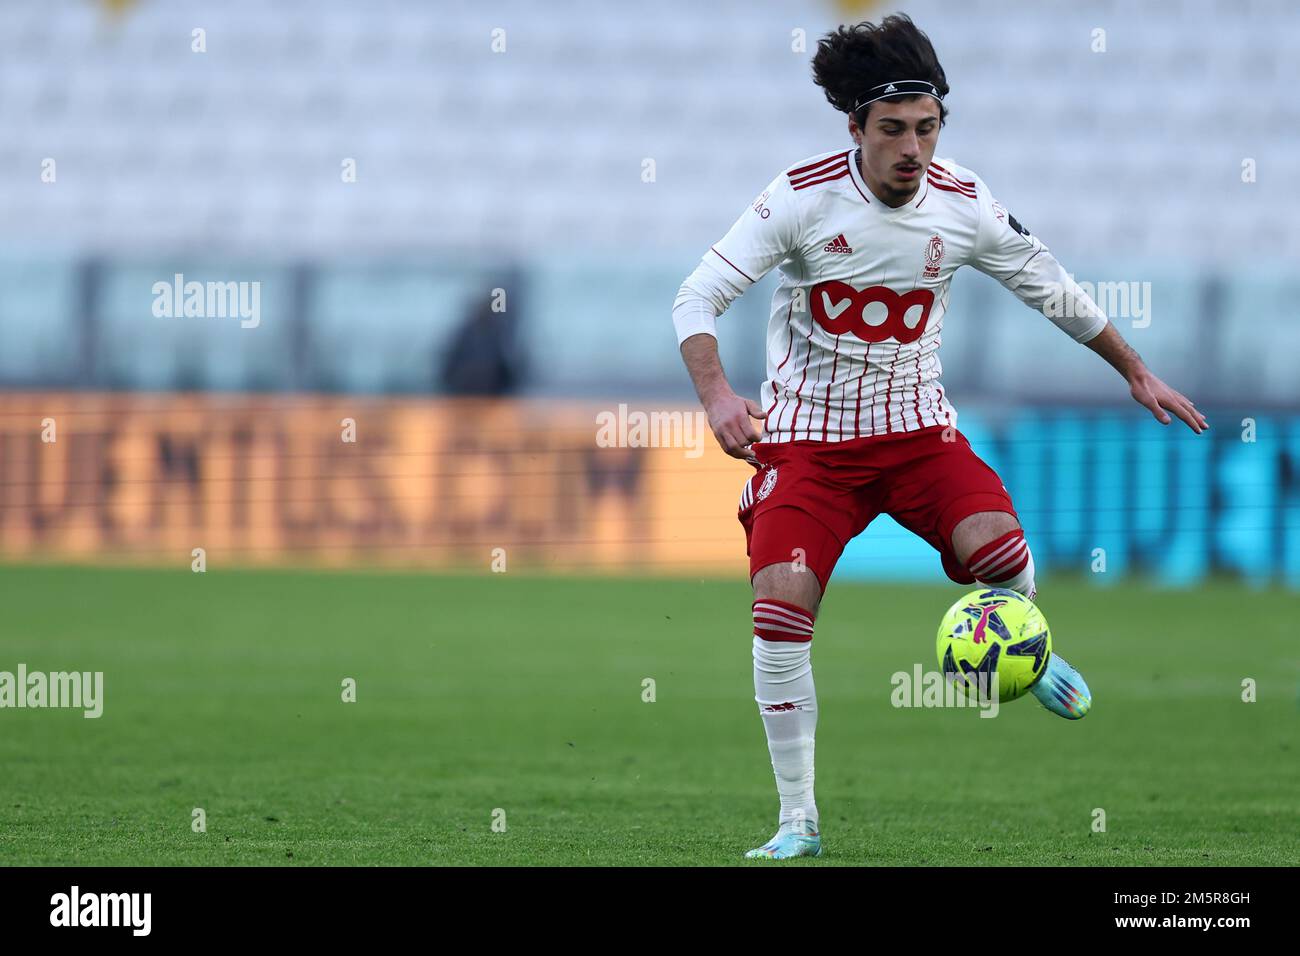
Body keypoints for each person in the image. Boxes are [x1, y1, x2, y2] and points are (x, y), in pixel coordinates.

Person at [671, 14, 1207, 860]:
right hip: (809, 443)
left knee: (1004, 555)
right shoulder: (800, 198)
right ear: (854, 127)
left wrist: (1134, 370)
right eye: (892, 131)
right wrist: (717, 397)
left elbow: (1051, 288)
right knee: (778, 617)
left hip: (917, 433)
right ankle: (798, 822)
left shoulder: (964, 205)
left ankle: (1028, 649)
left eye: (927, 128)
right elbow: (694, 299)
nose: (912, 148)